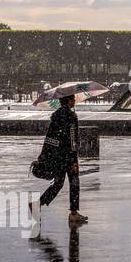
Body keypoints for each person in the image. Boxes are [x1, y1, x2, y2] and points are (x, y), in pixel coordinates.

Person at [31, 95, 88, 226]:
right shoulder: (71, 117)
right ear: (68, 101)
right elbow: (73, 140)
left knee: (58, 183)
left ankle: (38, 204)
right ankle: (73, 214)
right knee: (74, 182)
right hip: (68, 156)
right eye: (72, 100)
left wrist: (47, 156)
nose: (74, 101)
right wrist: (74, 159)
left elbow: (49, 139)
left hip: (57, 156)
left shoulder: (55, 116)